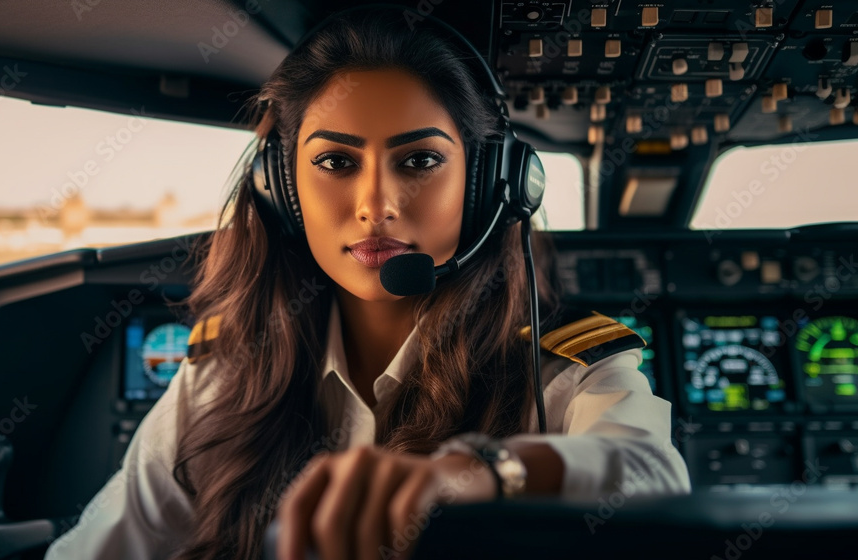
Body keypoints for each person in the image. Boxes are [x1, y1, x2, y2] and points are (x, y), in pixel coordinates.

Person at [44, 7, 691, 560]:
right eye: (335, 161)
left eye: (419, 160)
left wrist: (481, 474)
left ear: (491, 185)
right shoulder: (225, 373)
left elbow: (655, 476)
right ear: (280, 188)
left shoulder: (565, 370)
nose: (376, 204)